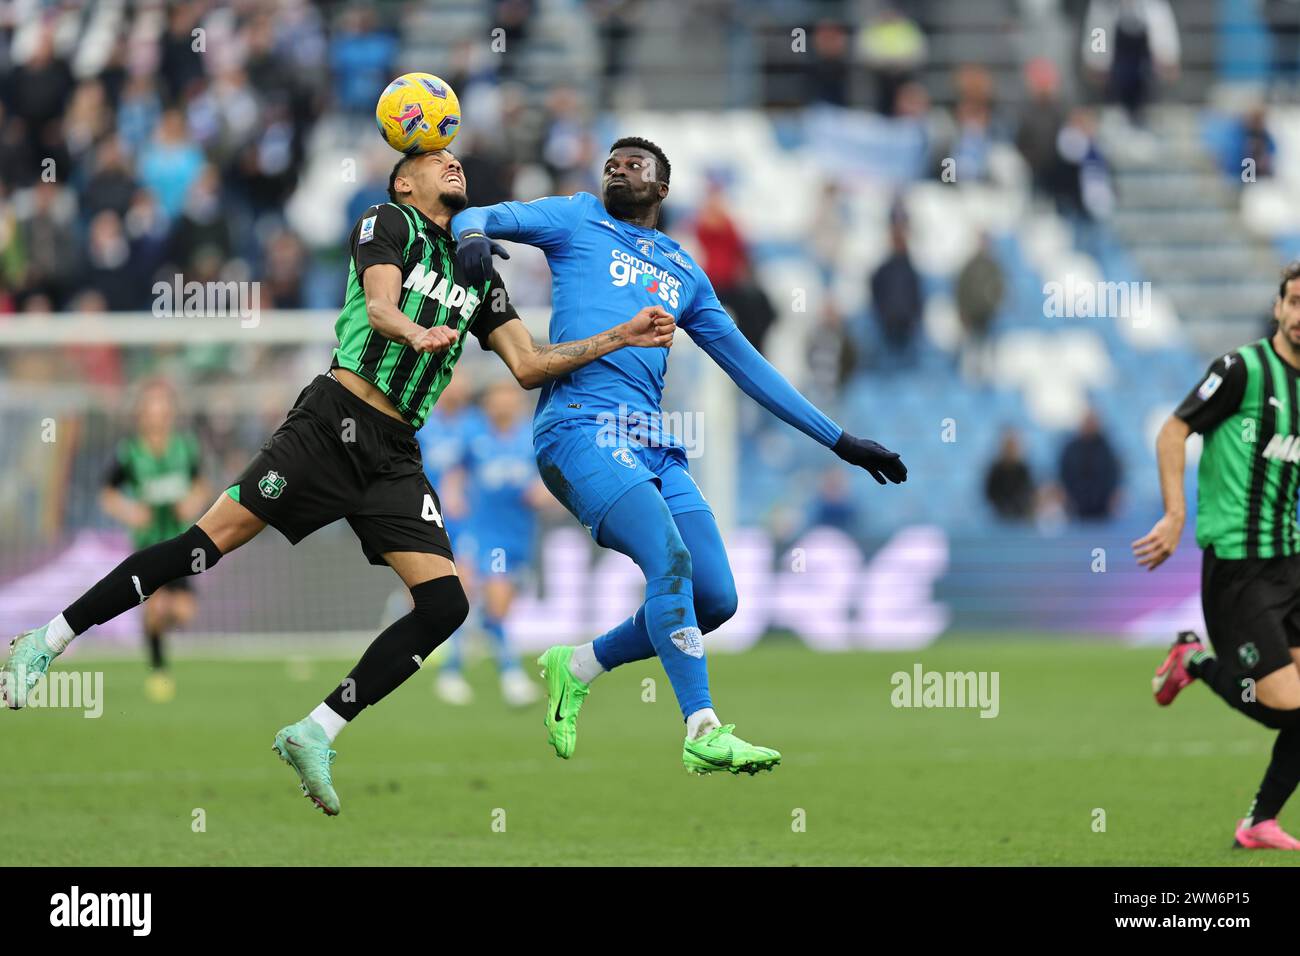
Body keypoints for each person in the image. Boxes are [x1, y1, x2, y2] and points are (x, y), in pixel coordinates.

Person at [1, 149, 676, 817]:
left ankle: (315, 731)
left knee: (445, 605)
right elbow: (382, 309)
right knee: (200, 547)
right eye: (434, 161)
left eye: (457, 160)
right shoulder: (385, 222)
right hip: (332, 424)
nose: (454, 167)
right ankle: (48, 638)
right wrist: (420, 332)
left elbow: (529, 366)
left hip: (393, 455)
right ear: (403, 182)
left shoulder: (478, 269)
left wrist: (620, 334)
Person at [451, 136, 907, 775]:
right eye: (611, 161)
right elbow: (482, 215)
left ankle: (577, 664)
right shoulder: (577, 217)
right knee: (670, 557)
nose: (618, 168)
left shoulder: (683, 271)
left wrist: (841, 440)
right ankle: (703, 728)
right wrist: (470, 238)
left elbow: (750, 368)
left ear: (662, 188)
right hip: (579, 428)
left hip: (654, 447)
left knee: (716, 597)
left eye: (634, 164)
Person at [1134, 262, 1300, 850]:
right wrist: (1176, 514)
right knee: (1287, 706)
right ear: (1279, 308)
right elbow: (1173, 431)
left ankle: (1258, 823)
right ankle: (1194, 661)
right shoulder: (1240, 371)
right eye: (1295, 303)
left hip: (1292, 563)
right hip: (1238, 568)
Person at [435, 378, 546, 708]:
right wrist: (452, 495)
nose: (502, 403)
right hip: (480, 532)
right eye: (497, 397)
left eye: (508, 397)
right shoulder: (474, 434)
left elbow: (550, 476)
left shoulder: (531, 436)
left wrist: (545, 493)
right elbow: (455, 470)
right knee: (471, 594)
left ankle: (460, 667)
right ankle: (504, 675)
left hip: (517, 535)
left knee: (495, 609)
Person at [100, 379, 208, 702]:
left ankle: (154, 626)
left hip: (183, 545)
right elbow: (107, 493)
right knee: (156, 607)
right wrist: (130, 511)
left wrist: (193, 501)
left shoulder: (185, 447)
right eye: (152, 408)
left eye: (163, 407)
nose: (158, 414)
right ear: (142, 414)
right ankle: (159, 670)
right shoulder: (129, 453)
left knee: (184, 612)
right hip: (147, 547)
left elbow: (201, 484)